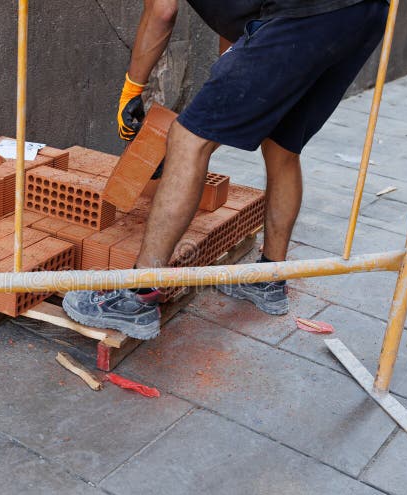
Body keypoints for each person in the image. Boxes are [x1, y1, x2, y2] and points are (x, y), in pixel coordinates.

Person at [63, 0, 389, 340]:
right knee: (282, 145)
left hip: (303, 16)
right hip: (361, 15)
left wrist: (133, 89)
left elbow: (162, 12)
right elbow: (239, 29)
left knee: (188, 139)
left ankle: (137, 296)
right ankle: (269, 281)